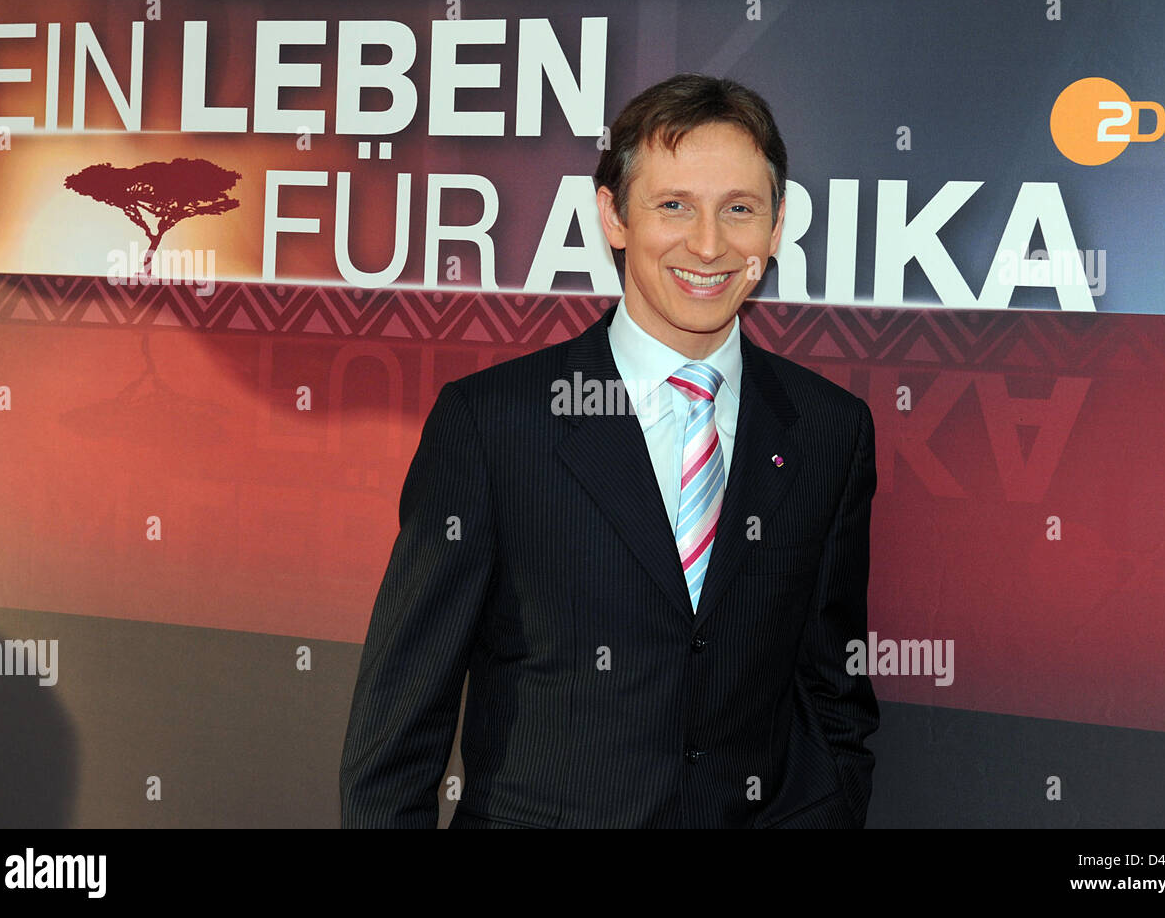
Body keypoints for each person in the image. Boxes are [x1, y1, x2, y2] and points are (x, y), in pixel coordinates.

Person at [340, 73, 878, 828]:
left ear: (776, 225)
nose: (708, 244)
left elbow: (832, 694)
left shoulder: (829, 431)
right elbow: (397, 729)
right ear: (613, 216)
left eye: (740, 210)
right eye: (674, 206)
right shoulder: (494, 424)